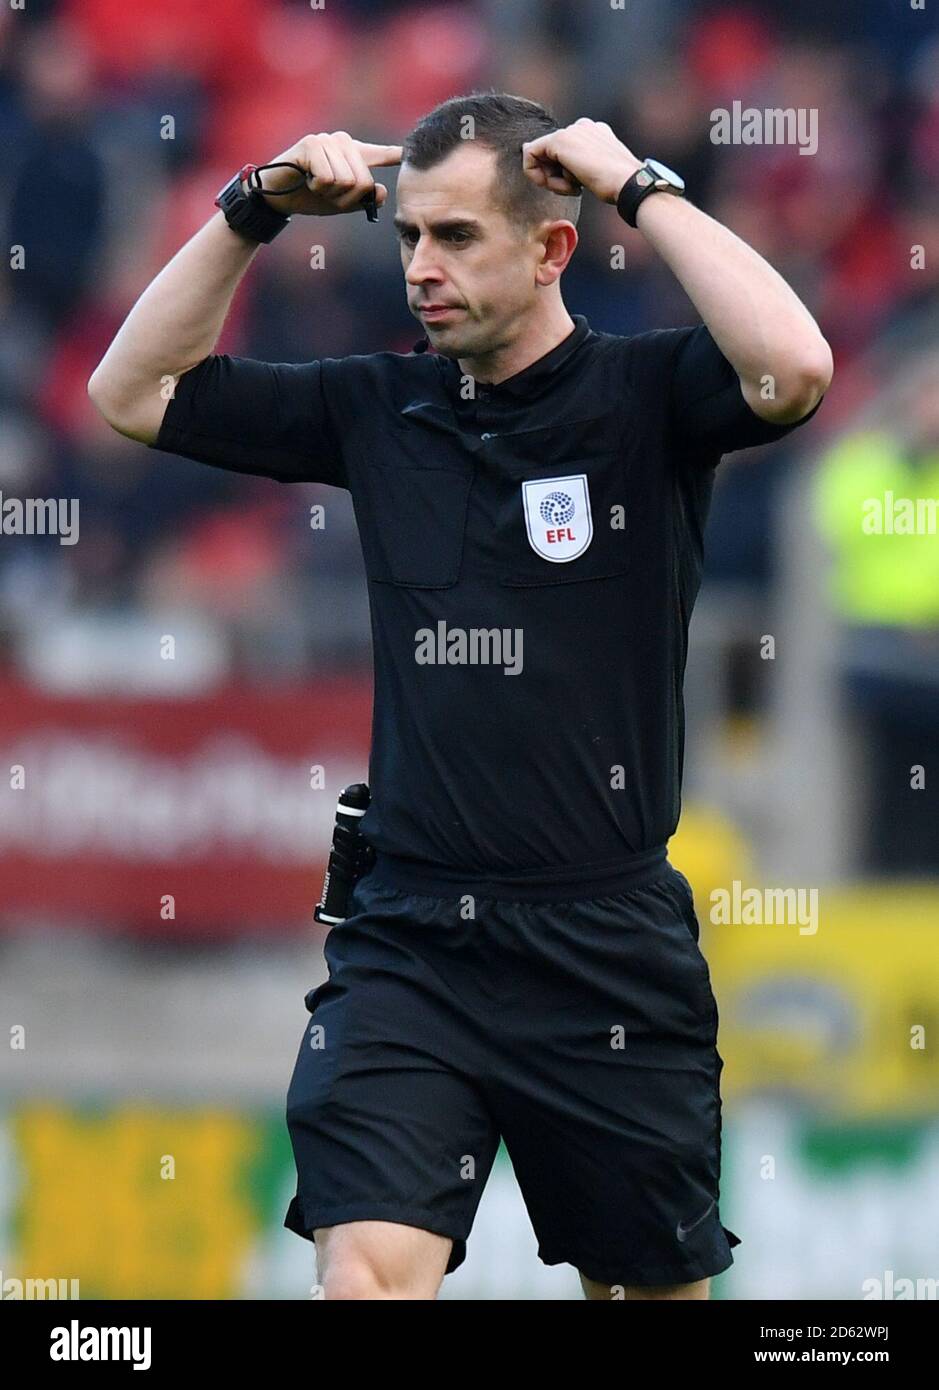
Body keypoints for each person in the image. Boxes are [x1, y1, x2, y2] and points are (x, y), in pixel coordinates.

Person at [88, 92, 832, 1300]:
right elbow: (132, 394)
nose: (421, 270)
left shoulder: (647, 399)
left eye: (458, 238)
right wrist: (253, 206)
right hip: (413, 940)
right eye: (409, 238)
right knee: (366, 1279)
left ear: (551, 249)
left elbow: (794, 366)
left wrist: (641, 186)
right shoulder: (377, 409)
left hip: (606, 950)